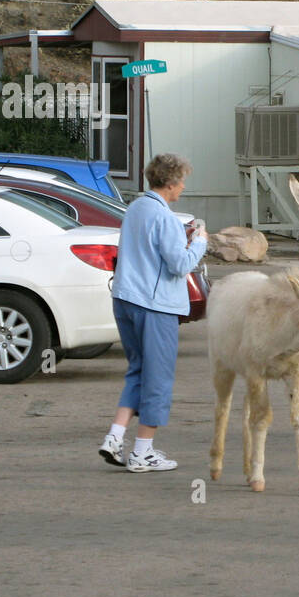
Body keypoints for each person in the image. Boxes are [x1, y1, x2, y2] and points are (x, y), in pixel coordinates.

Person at [98, 153, 207, 472]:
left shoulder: (136, 208)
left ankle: (115, 436)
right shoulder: (166, 218)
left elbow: (152, 247)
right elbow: (180, 265)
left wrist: (182, 239)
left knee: (138, 370)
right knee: (158, 378)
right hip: (154, 306)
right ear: (171, 184)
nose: (183, 187)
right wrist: (199, 242)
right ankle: (143, 451)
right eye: (182, 182)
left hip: (125, 299)